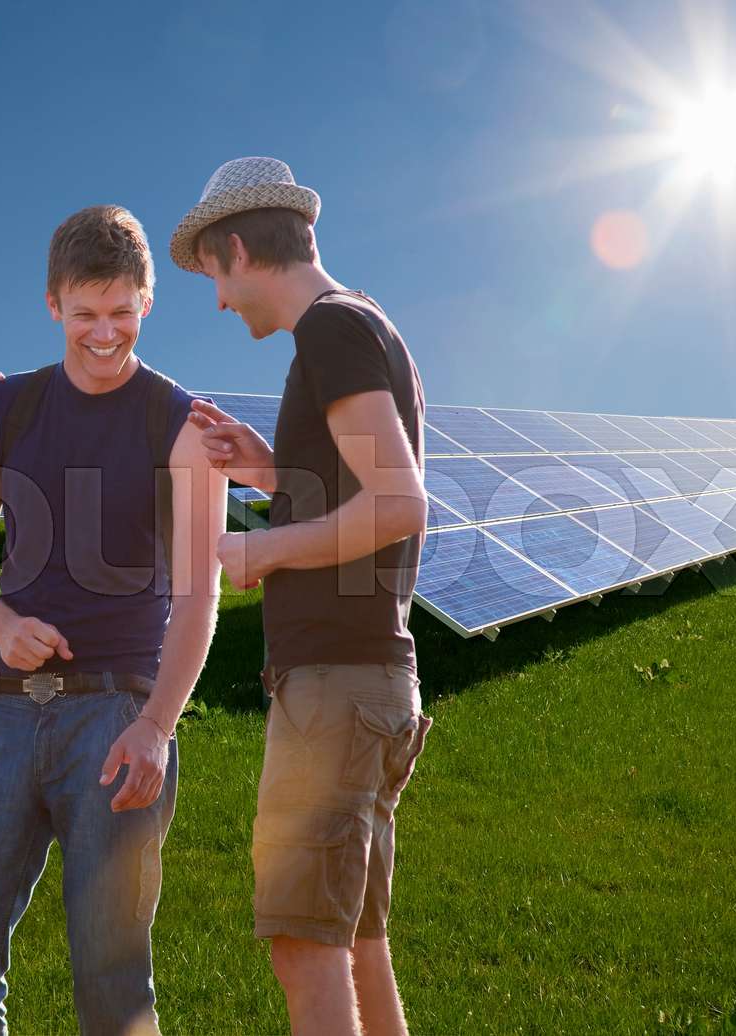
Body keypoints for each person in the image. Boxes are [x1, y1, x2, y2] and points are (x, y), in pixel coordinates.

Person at [0, 205, 228, 1035]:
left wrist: (157, 727)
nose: (104, 333)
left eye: (122, 313)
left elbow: (200, 596)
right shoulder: (0, 410)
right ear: (52, 304)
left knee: (111, 981)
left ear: (148, 303)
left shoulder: (186, 428)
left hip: (118, 718)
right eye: (86, 314)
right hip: (6, 714)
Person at [170, 157, 432, 1036]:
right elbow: (357, 486)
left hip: (338, 687)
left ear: (239, 249)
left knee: (302, 945)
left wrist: (260, 550)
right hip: (366, 683)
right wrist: (270, 471)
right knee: (354, 940)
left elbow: (397, 504)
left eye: (213, 276)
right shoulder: (364, 325)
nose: (217, 301)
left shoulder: (330, 332)